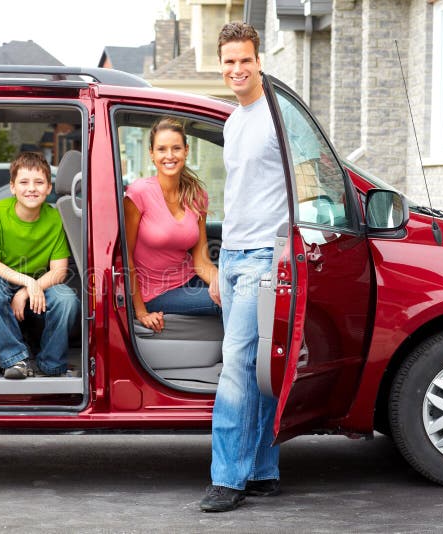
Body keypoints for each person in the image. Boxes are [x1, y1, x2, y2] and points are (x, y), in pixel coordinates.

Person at [199, 22, 288, 513]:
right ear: (221, 64)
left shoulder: (276, 118)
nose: (237, 69)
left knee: (236, 367)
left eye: (245, 60)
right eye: (229, 61)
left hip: (263, 258)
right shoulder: (234, 121)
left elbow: (306, 185)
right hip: (232, 257)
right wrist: (218, 262)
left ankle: (227, 480)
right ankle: (262, 469)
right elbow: (239, 197)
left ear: (259, 61)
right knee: (256, 370)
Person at [0, 152, 79, 379]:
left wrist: (27, 291)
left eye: (39, 182)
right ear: (12, 187)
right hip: (5, 281)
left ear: (49, 188)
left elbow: (59, 271)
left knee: (67, 299)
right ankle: (17, 359)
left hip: (43, 283)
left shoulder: (56, 218)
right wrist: (27, 283)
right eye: (24, 182)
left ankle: (51, 364)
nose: (31, 188)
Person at [124, 116, 221, 333]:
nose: (169, 156)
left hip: (189, 279)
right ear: (151, 154)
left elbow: (201, 261)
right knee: (231, 301)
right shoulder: (138, 193)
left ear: (186, 150)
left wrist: (223, 284)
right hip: (154, 293)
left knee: (242, 293)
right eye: (161, 149)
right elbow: (125, 255)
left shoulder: (197, 196)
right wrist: (140, 311)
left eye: (176, 148)